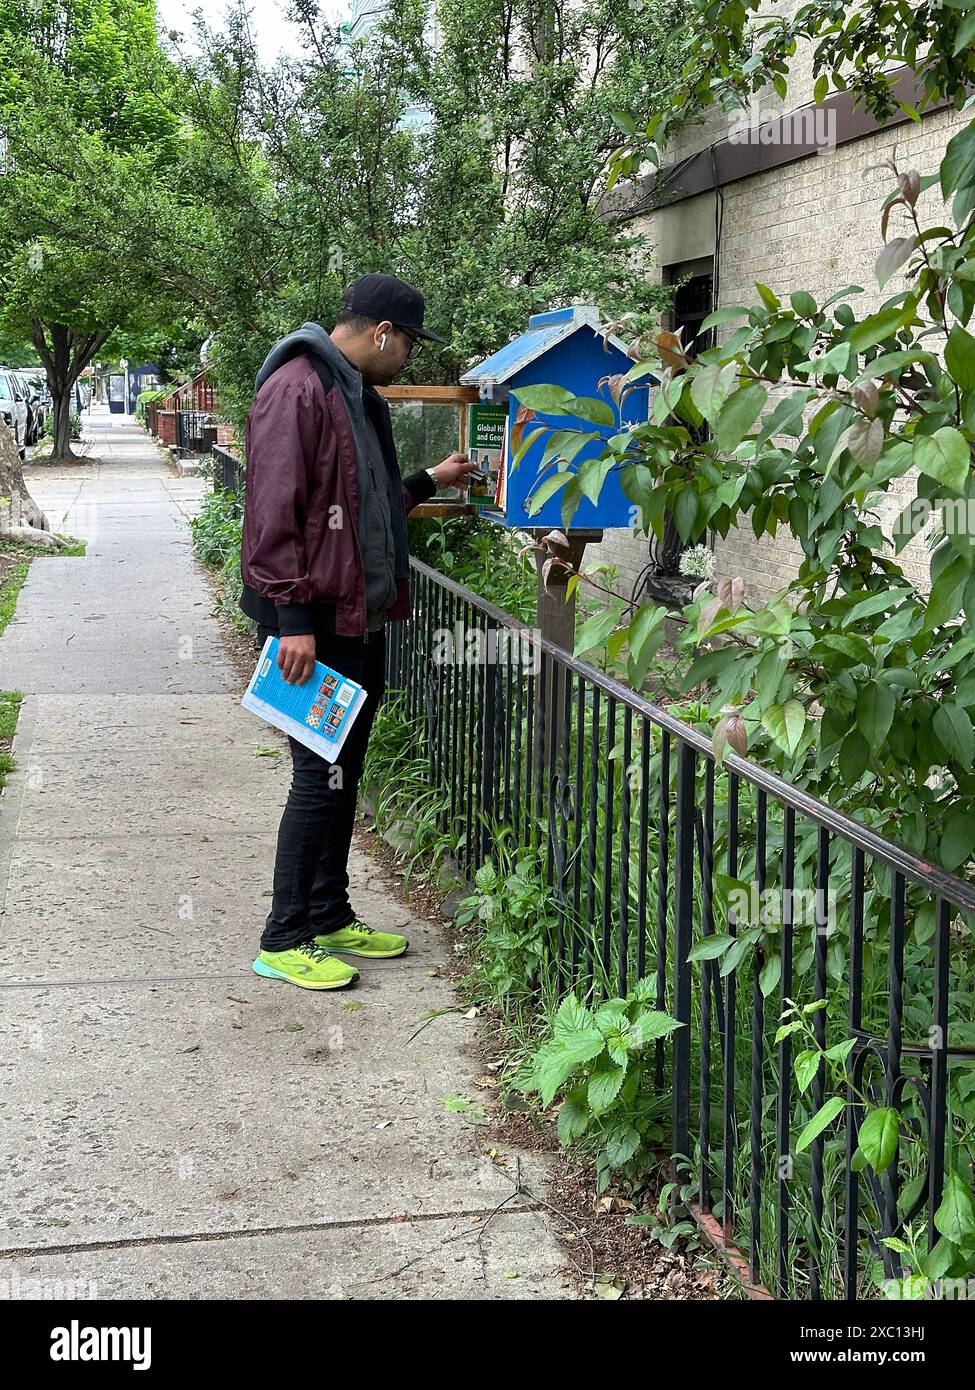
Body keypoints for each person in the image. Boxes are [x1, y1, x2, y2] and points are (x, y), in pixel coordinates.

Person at [239, 273, 476, 990]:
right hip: (312, 625)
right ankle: (283, 937)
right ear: (381, 333)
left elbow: (360, 504)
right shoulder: (299, 388)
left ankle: (328, 913)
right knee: (317, 778)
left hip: (351, 617)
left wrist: (430, 479)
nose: (407, 360)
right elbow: (274, 510)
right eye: (407, 345)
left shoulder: (351, 395)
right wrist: (291, 623)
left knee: (342, 775)